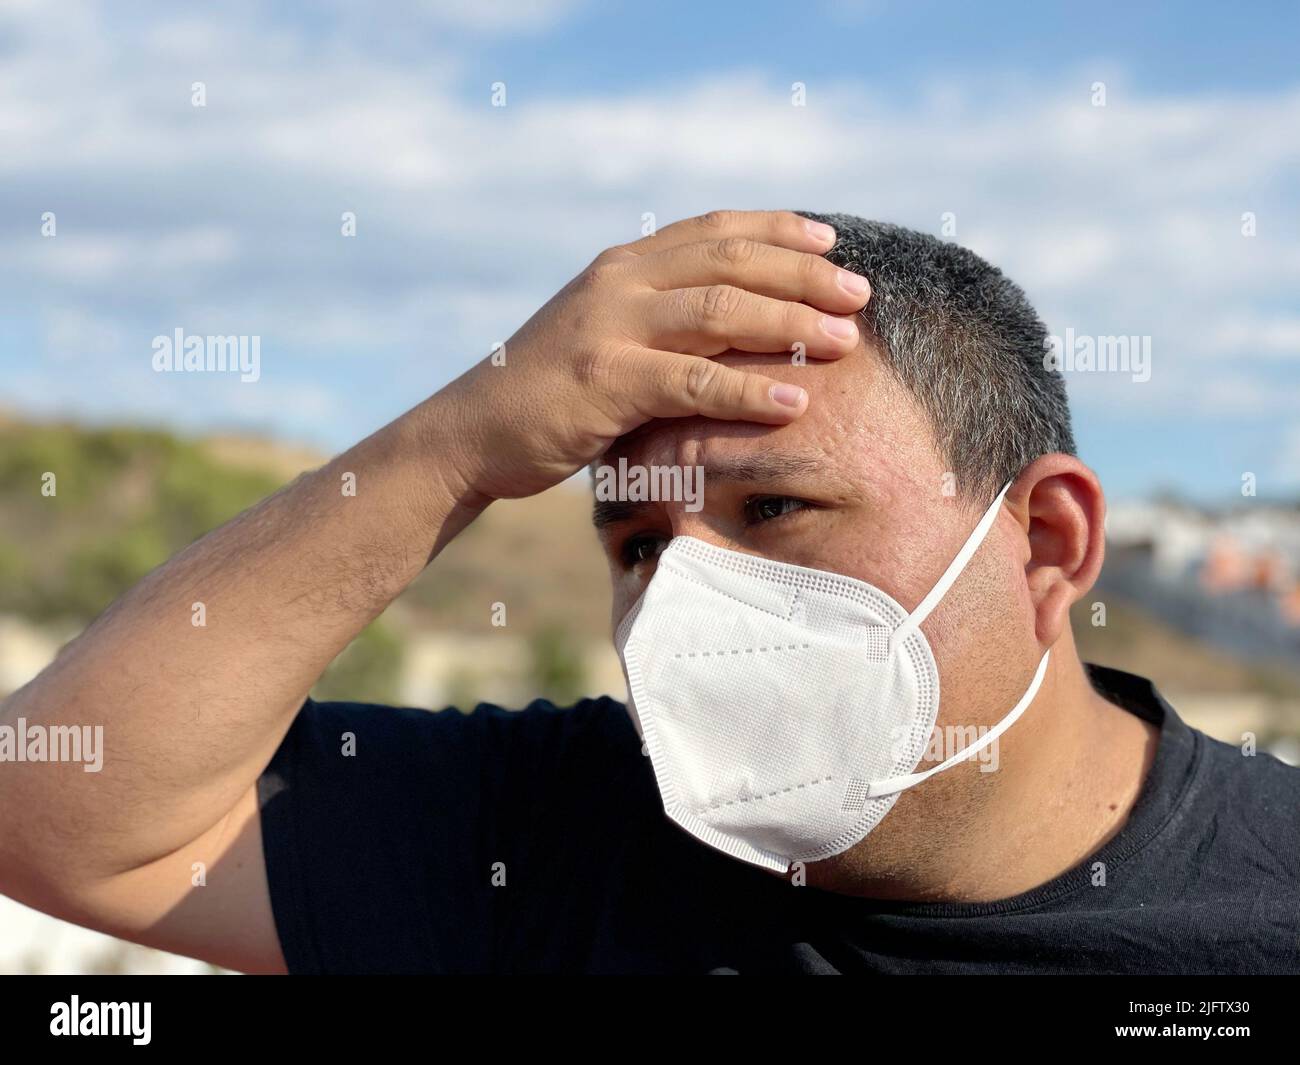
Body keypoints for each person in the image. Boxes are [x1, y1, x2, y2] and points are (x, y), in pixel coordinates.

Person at [2, 211, 1296, 974]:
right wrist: (456, 443)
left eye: (774, 508)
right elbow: (62, 818)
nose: (687, 607)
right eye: (636, 545)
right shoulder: (555, 836)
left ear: (1050, 541)